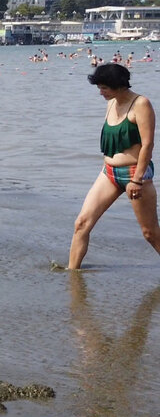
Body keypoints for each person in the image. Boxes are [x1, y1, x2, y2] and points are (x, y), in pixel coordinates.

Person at [69, 63, 159, 270]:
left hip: (134, 174)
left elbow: (147, 144)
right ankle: (72, 278)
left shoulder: (141, 104)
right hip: (108, 173)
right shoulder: (111, 102)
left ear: (119, 85)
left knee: (150, 233)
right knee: (81, 224)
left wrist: (137, 180)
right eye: (99, 88)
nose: (101, 92)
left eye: (104, 88)